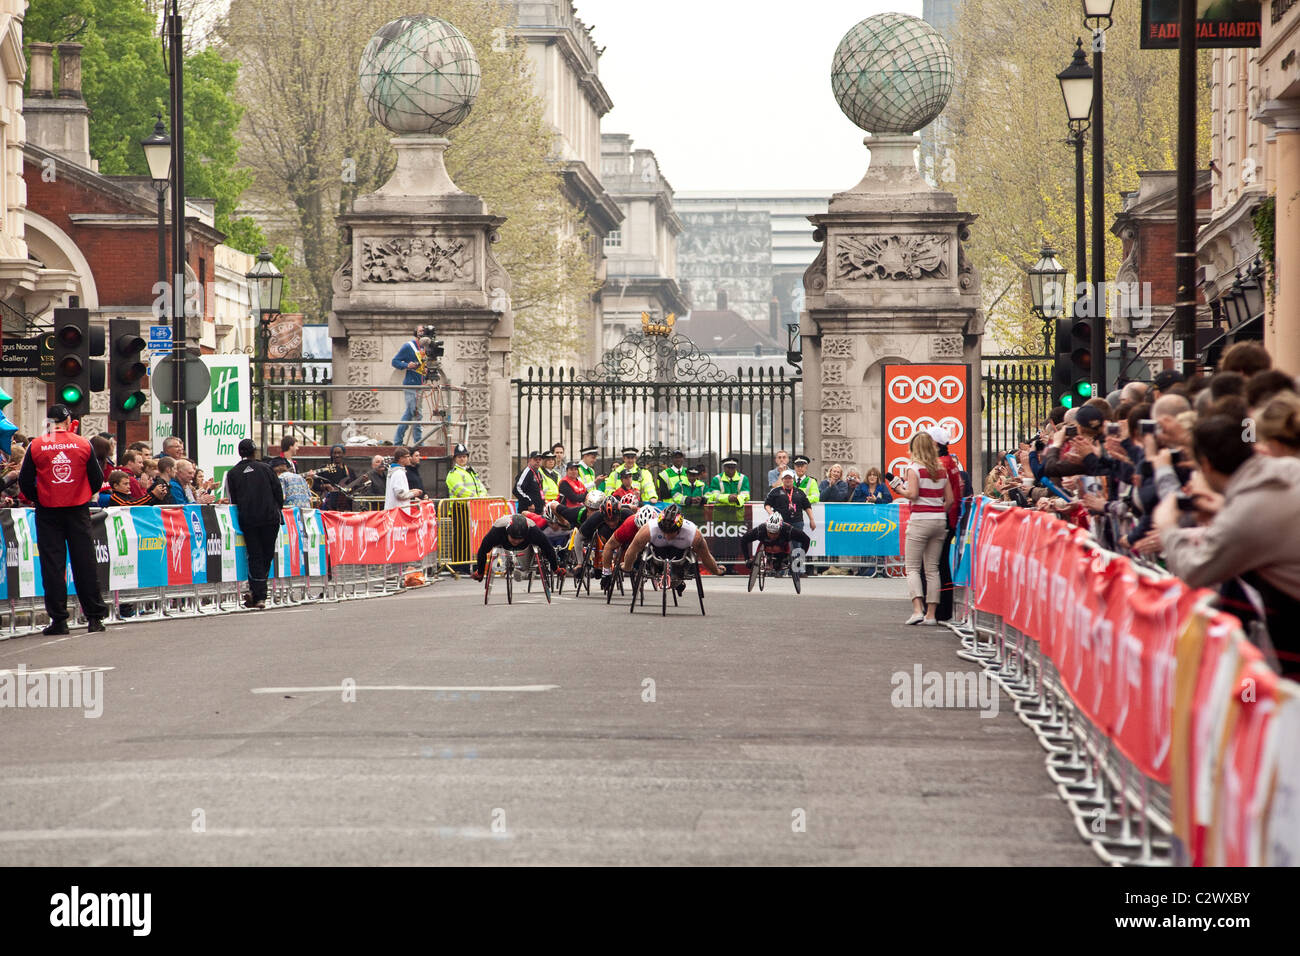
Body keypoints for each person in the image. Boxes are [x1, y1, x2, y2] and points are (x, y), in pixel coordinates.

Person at [1156, 415, 1300, 674]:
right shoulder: (1289, 469)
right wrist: (1225, 510)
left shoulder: (1245, 516)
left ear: (1206, 465)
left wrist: (1168, 528)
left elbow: (1194, 570)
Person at [18, 404, 110, 635]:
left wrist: (40, 497)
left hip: (48, 510)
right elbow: (96, 478)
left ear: (48, 421)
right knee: (85, 563)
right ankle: (95, 618)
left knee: (53, 566)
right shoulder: (82, 443)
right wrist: (81, 495)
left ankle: (59, 620)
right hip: (77, 510)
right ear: (69, 422)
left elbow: (25, 480)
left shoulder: (37, 444)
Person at [890, 431, 953, 626]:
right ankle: (931, 614)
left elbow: (912, 494)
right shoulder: (942, 469)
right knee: (932, 569)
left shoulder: (914, 468)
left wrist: (898, 489)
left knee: (912, 568)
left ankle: (918, 609)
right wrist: (937, 511)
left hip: (919, 519)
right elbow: (950, 500)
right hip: (939, 519)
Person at [225, 439, 285, 610]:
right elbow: (278, 492)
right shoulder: (266, 469)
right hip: (269, 518)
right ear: (254, 452)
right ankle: (259, 595)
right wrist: (276, 508)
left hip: (248, 519)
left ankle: (256, 592)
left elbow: (233, 499)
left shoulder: (233, 473)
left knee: (255, 556)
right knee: (265, 555)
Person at [619, 503, 724, 594]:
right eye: (664, 531)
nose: (667, 536)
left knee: (689, 560)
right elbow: (633, 549)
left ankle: (677, 581)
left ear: (680, 528)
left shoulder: (693, 533)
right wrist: (627, 566)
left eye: (671, 533)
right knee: (640, 547)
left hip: (680, 559)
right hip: (656, 557)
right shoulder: (649, 528)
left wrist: (716, 571)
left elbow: (705, 555)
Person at [471, 512, 558, 581]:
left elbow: (548, 548)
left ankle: (523, 571)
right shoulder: (498, 529)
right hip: (503, 542)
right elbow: (483, 550)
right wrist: (480, 571)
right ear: (507, 533)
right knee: (489, 546)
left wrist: (555, 568)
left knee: (536, 547)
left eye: (519, 539)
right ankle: (512, 567)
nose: (516, 541)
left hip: (525, 545)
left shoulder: (533, 530)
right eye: (514, 538)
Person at [391, 328, 430, 446]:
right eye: (420, 330)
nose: (422, 332)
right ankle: (418, 442)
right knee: (416, 413)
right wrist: (407, 365)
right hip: (410, 384)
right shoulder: (409, 346)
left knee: (410, 413)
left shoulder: (425, 348)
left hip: (420, 385)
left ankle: (398, 441)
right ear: (416, 333)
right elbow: (394, 361)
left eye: (424, 330)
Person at [742, 512, 811, 573]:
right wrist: (747, 559)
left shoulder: (788, 530)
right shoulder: (760, 530)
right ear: (766, 528)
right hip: (767, 548)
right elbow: (744, 540)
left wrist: (800, 559)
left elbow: (806, 540)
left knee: (777, 566)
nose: (772, 536)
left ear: (780, 528)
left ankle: (780, 562)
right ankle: (769, 560)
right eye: (770, 532)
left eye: (775, 533)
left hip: (782, 551)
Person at [310, 445, 359, 511]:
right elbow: (314, 485)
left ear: (343, 454)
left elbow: (355, 487)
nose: (337, 455)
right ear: (331, 455)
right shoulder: (325, 468)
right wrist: (325, 486)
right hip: (328, 504)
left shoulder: (349, 471)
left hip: (345, 505)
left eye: (339, 453)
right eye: (334, 453)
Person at [706, 454, 750, 521]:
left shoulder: (743, 478)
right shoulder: (717, 479)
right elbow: (714, 496)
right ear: (724, 467)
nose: (731, 469)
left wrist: (736, 498)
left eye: (733, 467)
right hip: (720, 514)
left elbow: (746, 495)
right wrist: (728, 498)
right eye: (729, 467)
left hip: (737, 514)